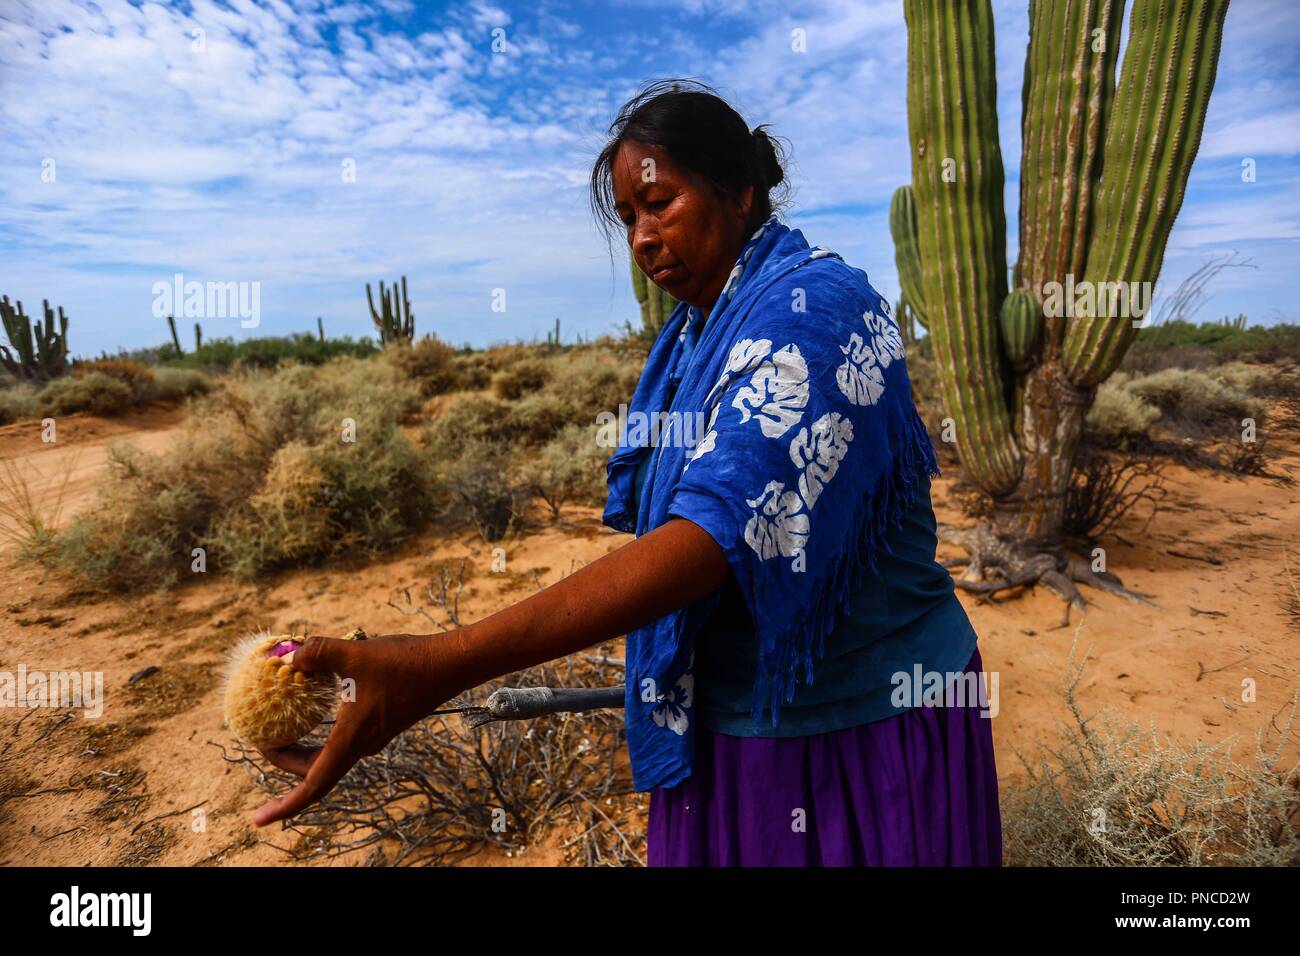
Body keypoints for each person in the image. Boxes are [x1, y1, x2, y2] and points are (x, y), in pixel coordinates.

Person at [253, 78, 1002, 867]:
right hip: (737, 727)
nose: (642, 238)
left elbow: (712, 538)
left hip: (853, 732)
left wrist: (439, 665)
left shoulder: (817, 307)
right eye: (628, 218)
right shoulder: (691, 335)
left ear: (740, 192)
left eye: (660, 203)